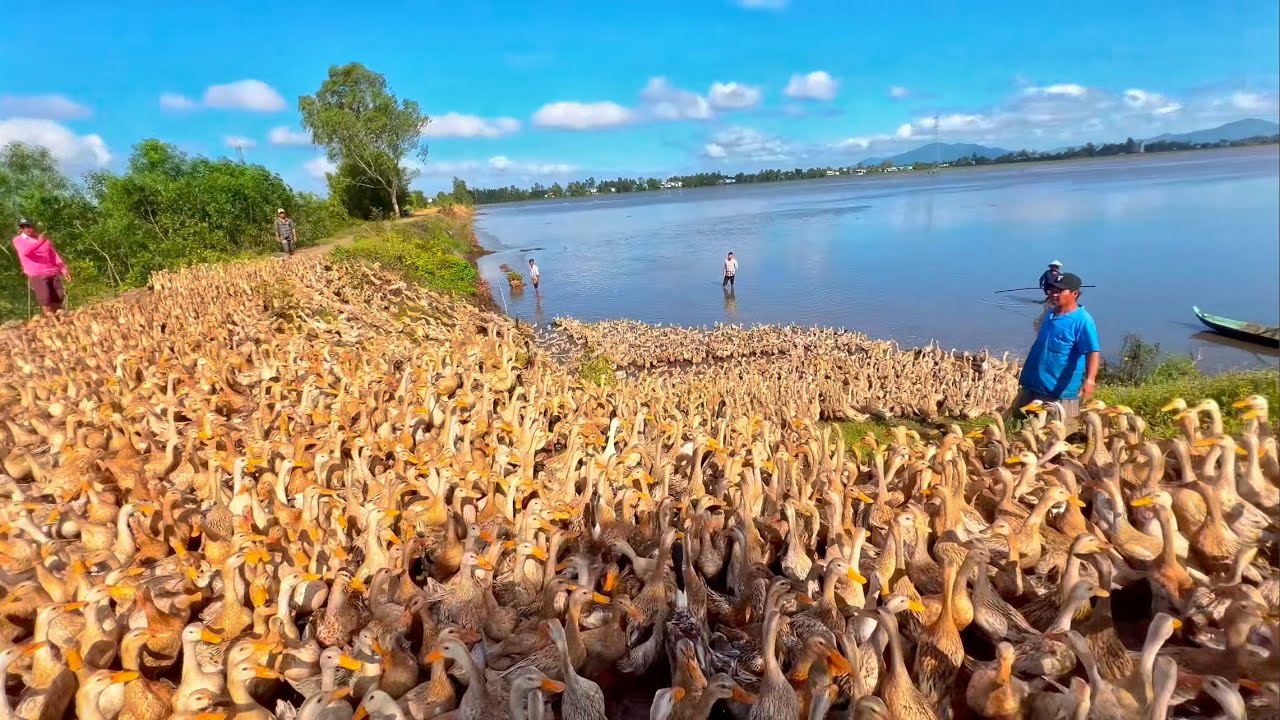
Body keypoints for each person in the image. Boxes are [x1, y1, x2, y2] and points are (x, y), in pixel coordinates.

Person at [1010, 272, 1100, 422]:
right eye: (1052, 290)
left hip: (1059, 394)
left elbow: (1093, 352)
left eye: (1060, 291)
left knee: (1058, 435)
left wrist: (1090, 380)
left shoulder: (1082, 321)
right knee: (1020, 423)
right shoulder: (1049, 314)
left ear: (1074, 294)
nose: (1054, 294)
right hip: (1032, 385)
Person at [11, 218, 70, 315]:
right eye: (24, 227)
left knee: (58, 297)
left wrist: (63, 268)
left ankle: (60, 320)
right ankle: (50, 320)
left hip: (52, 271)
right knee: (45, 299)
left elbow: (53, 255)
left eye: (29, 226)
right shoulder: (18, 240)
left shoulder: (43, 239)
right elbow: (26, 252)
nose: (28, 228)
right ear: (21, 229)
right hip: (36, 274)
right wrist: (40, 242)